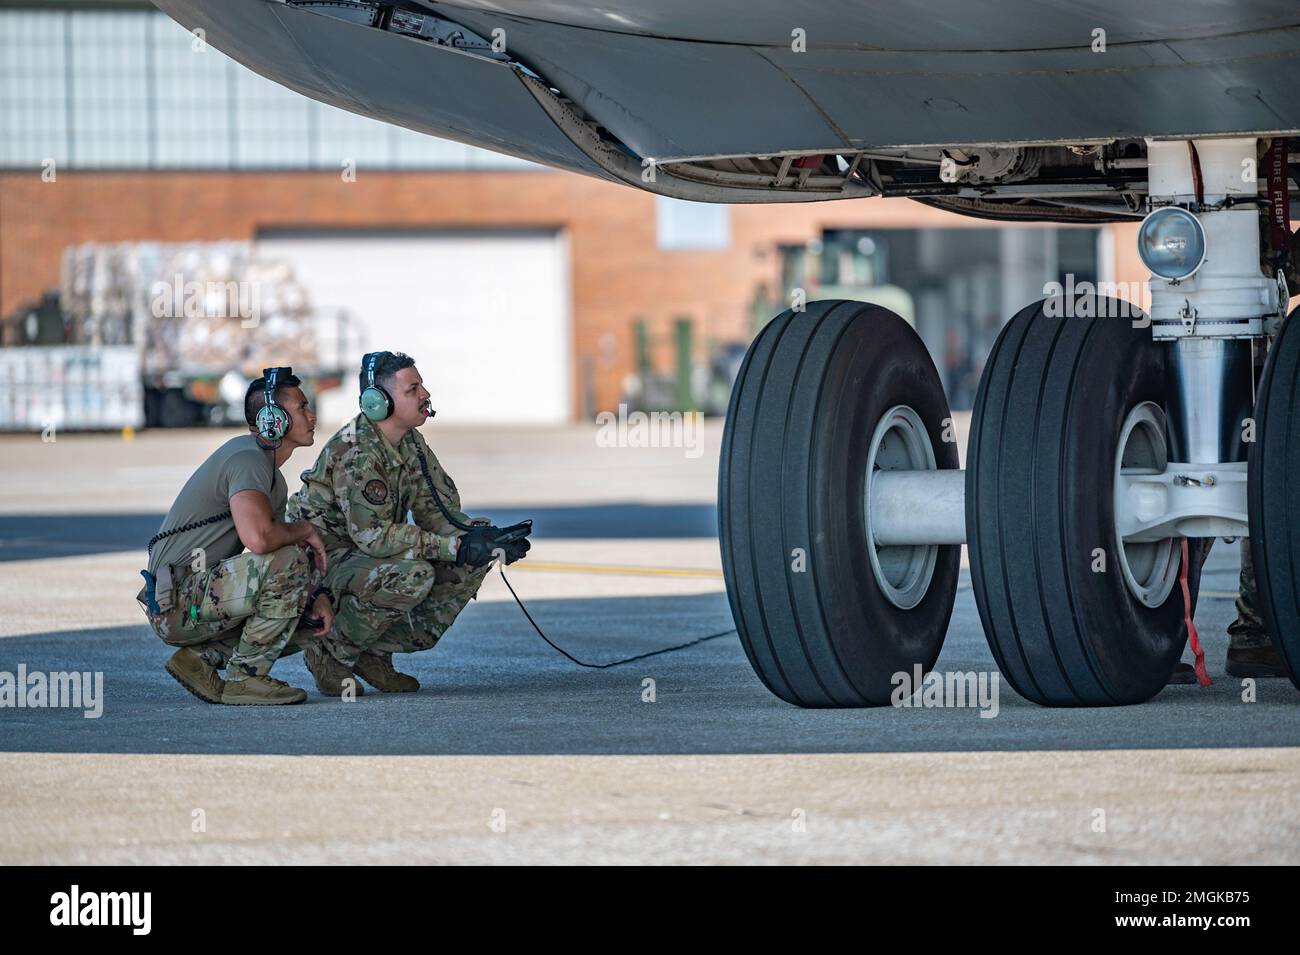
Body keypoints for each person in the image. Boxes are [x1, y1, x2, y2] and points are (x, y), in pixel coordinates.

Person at [286, 351, 529, 696]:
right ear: (377, 402)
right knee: (413, 574)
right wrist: (453, 546)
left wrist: (485, 539)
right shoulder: (359, 454)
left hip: (365, 554)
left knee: (469, 557)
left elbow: (439, 512)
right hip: (324, 562)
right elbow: (374, 538)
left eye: (421, 386)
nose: (425, 395)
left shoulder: (410, 442)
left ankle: (374, 653)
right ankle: (331, 652)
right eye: (412, 389)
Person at [137, 368, 334, 705]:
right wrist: (305, 530)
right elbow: (259, 539)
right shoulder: (247, 459)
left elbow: (273, 550)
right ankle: (246, 678)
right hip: (180, 603)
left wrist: (315, 596)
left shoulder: (269, 473)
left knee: (307, 610)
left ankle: (201, 659)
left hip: (193, 598)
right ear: (274, 419)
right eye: (302, 408)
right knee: (291, 563)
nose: (311, 415)